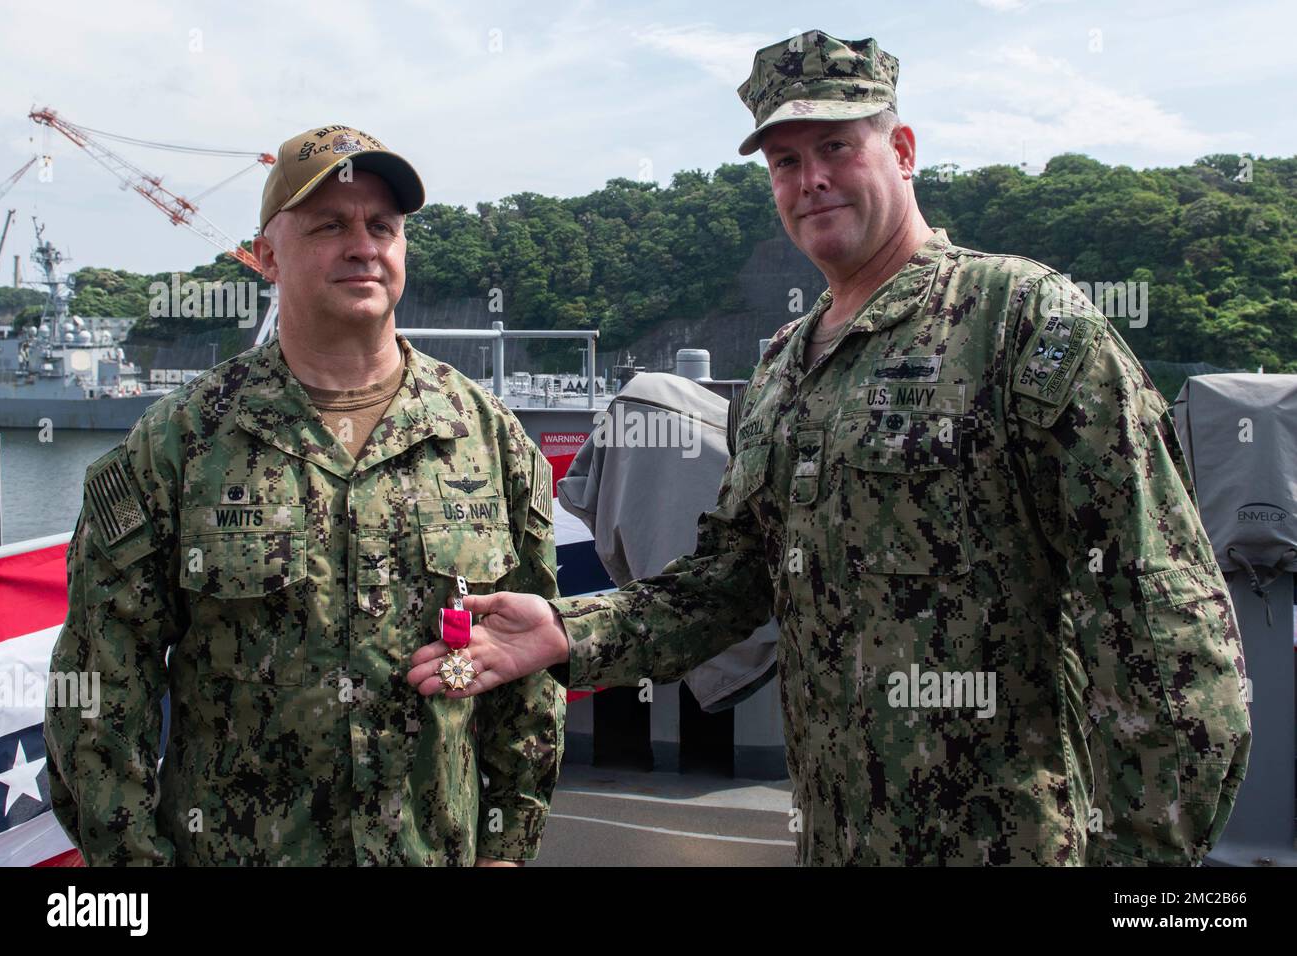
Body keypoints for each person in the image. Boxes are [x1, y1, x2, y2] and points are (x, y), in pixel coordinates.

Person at [408, 33, 1252, 866]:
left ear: (904, 150)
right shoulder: (784, 365)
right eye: (783, 160)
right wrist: (563, 630)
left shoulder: (1020, 320)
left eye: (837, 147)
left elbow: (1164, 613)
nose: (810, 180)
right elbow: (730, 581)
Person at [45, 124, 564, 866]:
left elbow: (529, 672)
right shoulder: (179, 445)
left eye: (382, 225)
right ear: (265, 256)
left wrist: (507, 847)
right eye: (330, 225)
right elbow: (98, 691)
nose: (363, 245)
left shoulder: (488, 438)